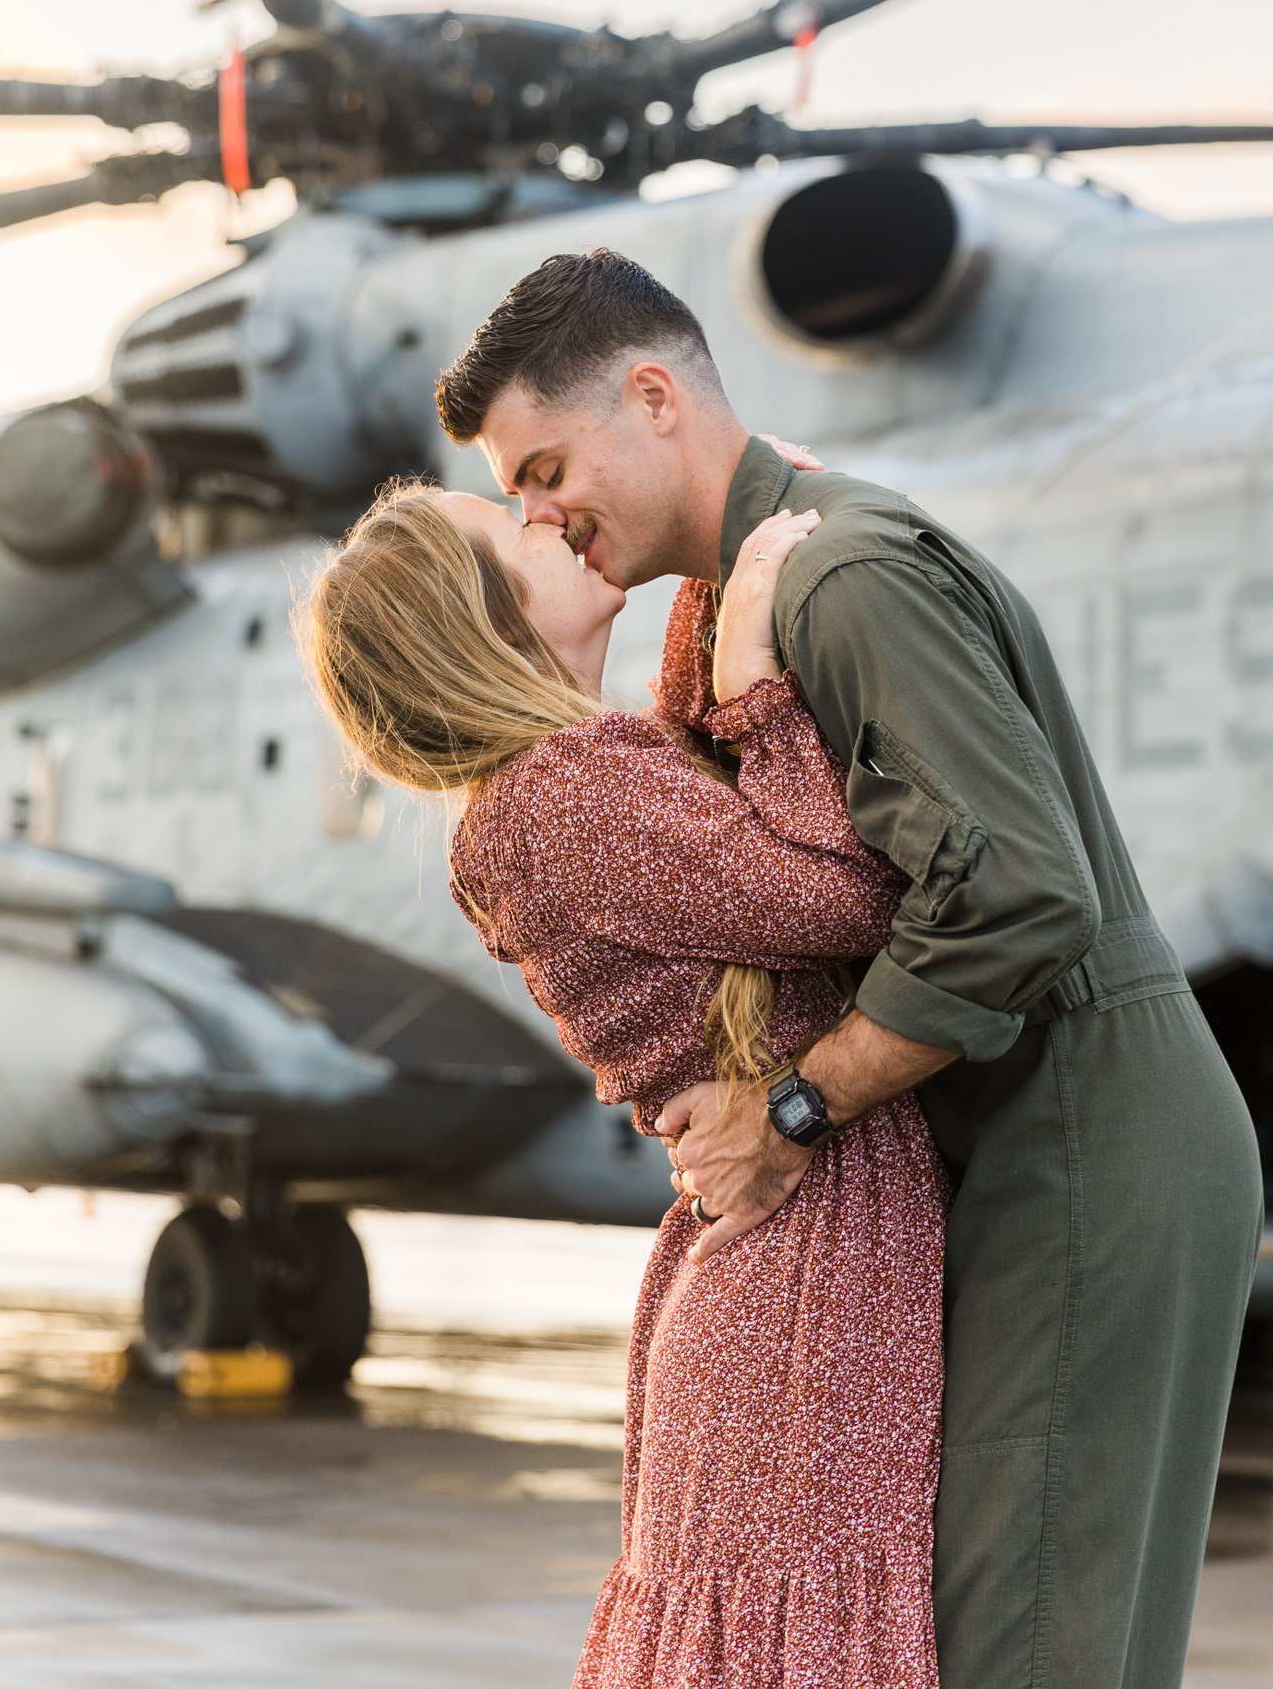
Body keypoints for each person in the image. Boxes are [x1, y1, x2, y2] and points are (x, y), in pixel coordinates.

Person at [431, 246, 1265, 1689]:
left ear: (653, 398)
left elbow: (1017, 894)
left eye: (550, 464)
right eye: (516, 492)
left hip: (1079, 1131)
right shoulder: (745, 597)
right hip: (1017, 1138)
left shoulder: (839, 575)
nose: (542, 512)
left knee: (1029, 1646)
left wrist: (796, 1110)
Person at [302, 478, 949, 1688]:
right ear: (484, 623)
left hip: (786, 1248)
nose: (546, 518)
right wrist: (758, 686)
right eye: (515, 532)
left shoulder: (562, 787)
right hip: (803, 1256)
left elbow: (693, 801)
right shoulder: (560, 800)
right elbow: (854, 898)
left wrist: (718, 569)